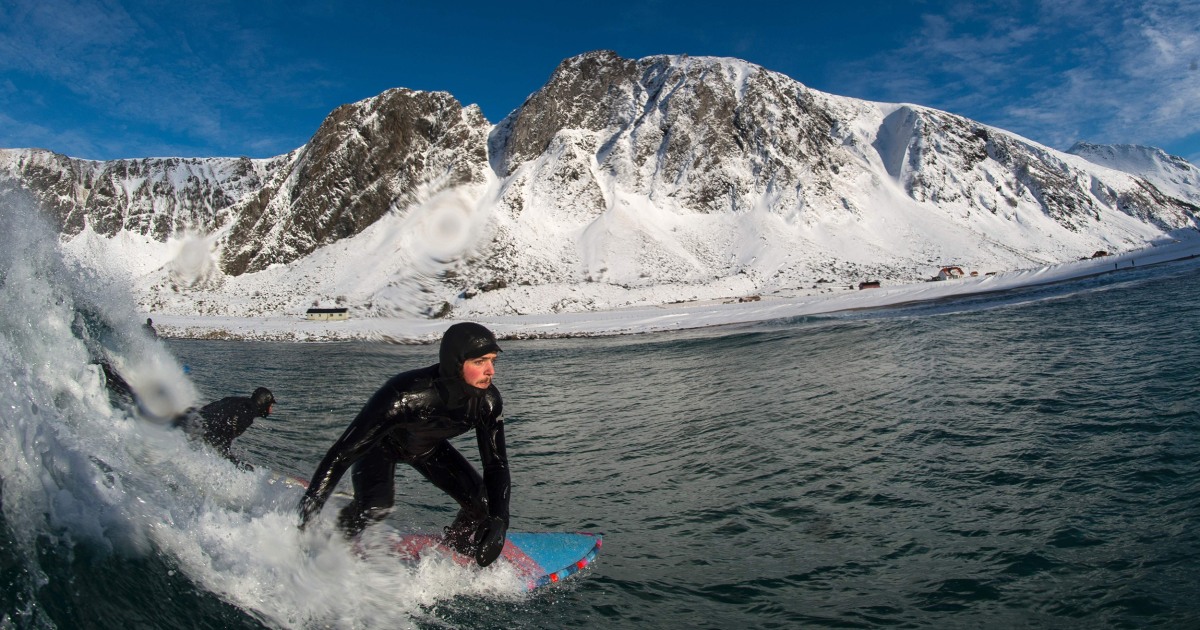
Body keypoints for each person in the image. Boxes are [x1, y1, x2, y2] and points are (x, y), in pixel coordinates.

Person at [297, 322, 510, 567]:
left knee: (484, 503)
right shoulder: (405, 395)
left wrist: (499, 520)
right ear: (455, 363)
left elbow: (496, 464)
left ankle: (456, 544)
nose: (491, 371)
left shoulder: (488, 402)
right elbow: (342, 453)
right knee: (375, 506)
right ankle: (332, 544)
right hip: (381, 447)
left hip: (428, 448)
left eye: (493, 361)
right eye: (480, 362)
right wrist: (310, 507)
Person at [174, 387, 275, 469]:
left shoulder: (238, 400)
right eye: (270, 405)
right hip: (199, 428)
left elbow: (213, 408)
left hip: (191, 417)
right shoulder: (249, 412)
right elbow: (228, 428)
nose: (271, 410)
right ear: (264, 402)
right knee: (242, 467)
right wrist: (228, 456)